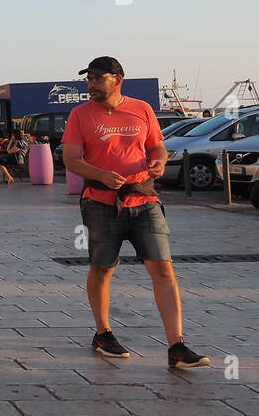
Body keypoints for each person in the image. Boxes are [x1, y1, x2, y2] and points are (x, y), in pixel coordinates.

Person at [61, 56, 209, 367]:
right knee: (102, 268)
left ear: (118, 79)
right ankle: (103, 333)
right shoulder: (80, 115)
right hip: (101, 202)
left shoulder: (142, 109)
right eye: (88, 79)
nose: (91, 84)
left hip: (144, 199)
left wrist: (159, 161)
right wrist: (100, 174)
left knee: (163, 269)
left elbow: (157, 146)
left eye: (97, 78)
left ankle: (177, 346)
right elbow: (71, 159)